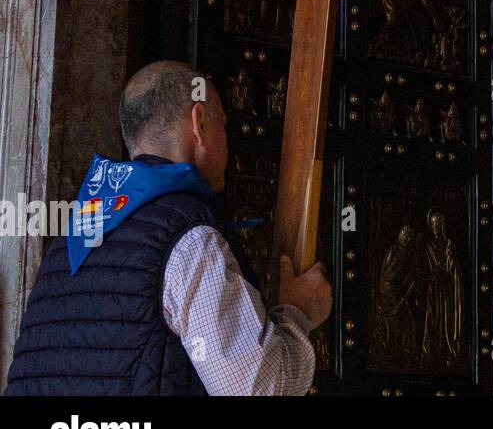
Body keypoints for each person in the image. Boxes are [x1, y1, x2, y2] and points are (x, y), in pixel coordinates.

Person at [4, 61, 331, 395]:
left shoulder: (71, 238)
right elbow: (256, 387)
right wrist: (298, 312)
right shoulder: (189, 241)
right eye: (223, 125)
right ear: (199, 123)